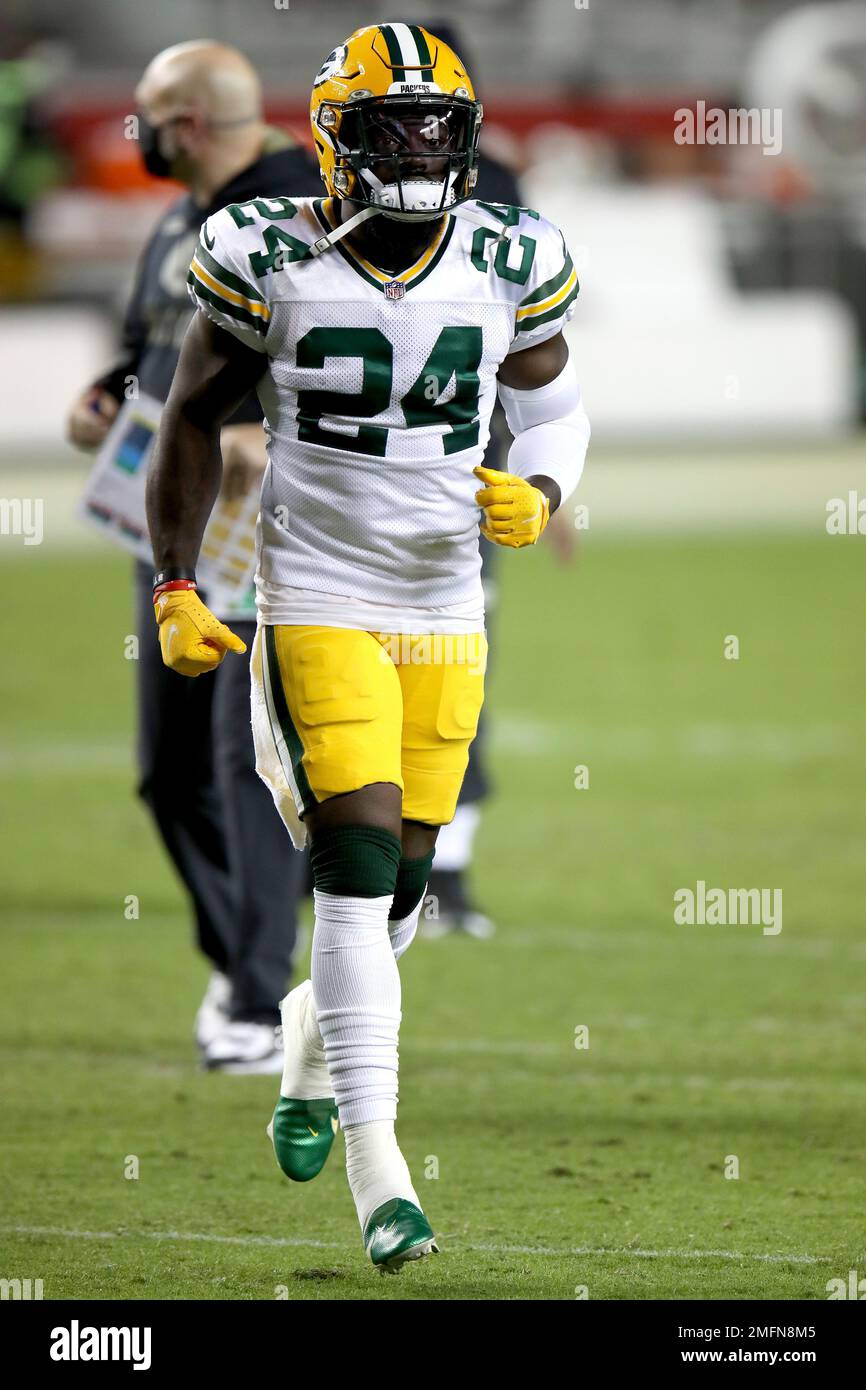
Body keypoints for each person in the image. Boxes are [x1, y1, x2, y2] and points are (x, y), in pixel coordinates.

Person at [146, 23, 590, 1270]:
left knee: (393, 888)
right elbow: (189, 417)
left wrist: (542, 491)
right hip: (318, 589)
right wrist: (178, 582)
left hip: (448, 601)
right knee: (349, 854)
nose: (414, 151)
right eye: (388, 128)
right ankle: (378, 1170)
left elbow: (554, 405)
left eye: (434, 129)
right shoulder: (263, 252)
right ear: (334, 141)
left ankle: (304, 1039)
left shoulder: (509, 253)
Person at [66, 41, 321, 1072]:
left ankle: (261, 999)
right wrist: (110, 388)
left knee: (244, 762)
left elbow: (342, 335)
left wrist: (272, 423)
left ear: (187, 124)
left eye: (148, 115)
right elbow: (161, 337)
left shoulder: (302, 200)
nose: (137, 133)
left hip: (265, 516)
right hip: (170, 509)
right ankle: (239, 957)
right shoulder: (182, 214)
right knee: (168, 773)